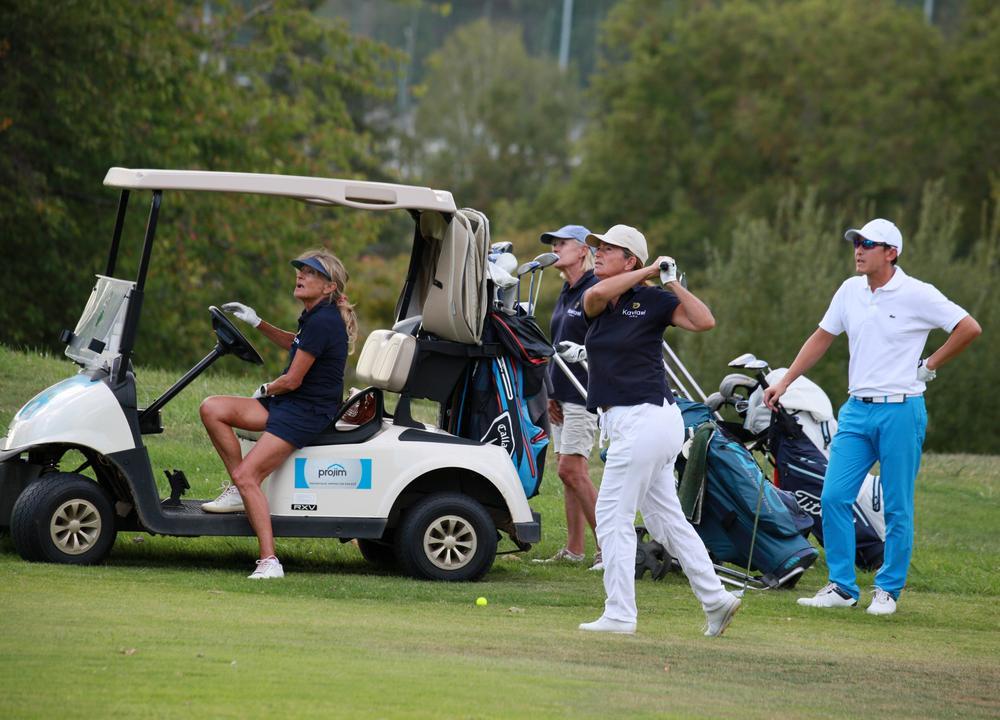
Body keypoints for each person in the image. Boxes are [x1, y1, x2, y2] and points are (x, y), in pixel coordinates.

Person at [764, 219, 981, 615]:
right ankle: (843, 587)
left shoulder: (917, 293)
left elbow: (968, 327)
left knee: (898, 505)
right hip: (857, 411)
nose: (858, 250)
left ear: (891, 252)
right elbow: (821, 338)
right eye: (855, 243)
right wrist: (787, 382)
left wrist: (930, 364)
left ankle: (887, 590)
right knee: (832, 497)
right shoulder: (850, 291)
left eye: (867, 244)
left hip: (902, 411)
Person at [577, 224, 741, 637]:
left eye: (608, 249)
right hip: (636, 423)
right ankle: (716, 599)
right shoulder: (598, 299)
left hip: (648, 419)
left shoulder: (651, 300)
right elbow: (595, 296)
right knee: (666, 520)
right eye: (598, 248)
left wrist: (668, 282)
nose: (597, 253)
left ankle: (619, 613)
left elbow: (704, 321)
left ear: (629, 259)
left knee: (611, 516)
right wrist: (647, 270)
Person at [199, 249, 358, 579]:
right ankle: (238, 491)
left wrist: (266, 389)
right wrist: (257, 322)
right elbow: (296, 343)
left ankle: (269, 561)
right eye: (301, 270)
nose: (301, 275)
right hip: (293, 404)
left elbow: (292, 380)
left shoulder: (325, 320)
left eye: (311, 273)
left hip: (306, 411)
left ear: (330, 287)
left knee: (248, 475)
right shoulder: (315, 316)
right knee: (212, 407)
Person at [531, 225, 602, 570]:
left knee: (572, 470)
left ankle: (609, 549)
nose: (555, 248)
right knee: (567, 473)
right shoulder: (567, 290)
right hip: (562, 395)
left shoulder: (594, 290)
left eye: (562, 243)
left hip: (586, 394)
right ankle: (575, 548)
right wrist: (550, 393)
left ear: (583, 250)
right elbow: (555, 348)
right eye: (553, 243)